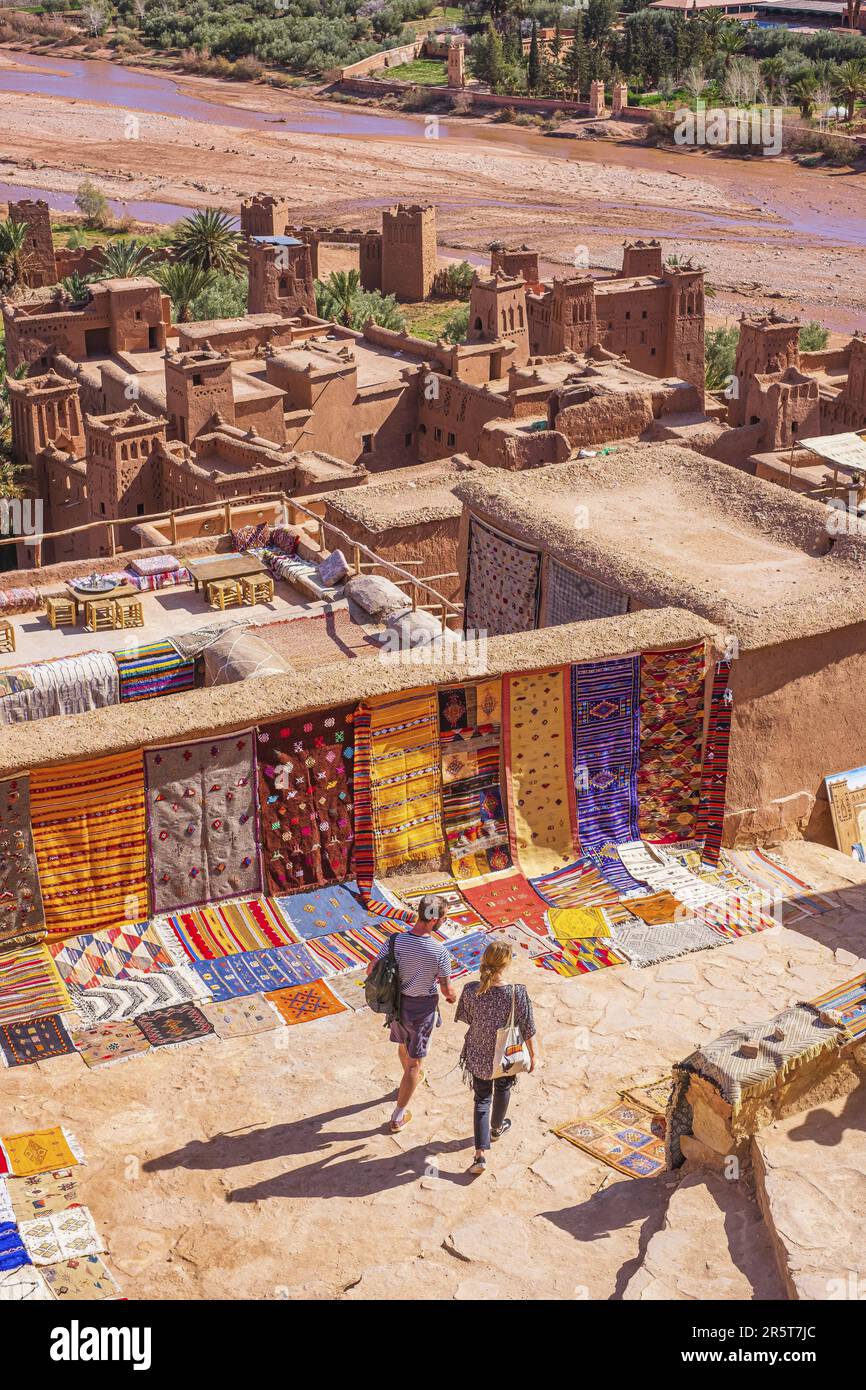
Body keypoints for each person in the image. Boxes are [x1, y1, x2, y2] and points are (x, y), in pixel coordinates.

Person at [367, 893, 457, 1134]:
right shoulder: (439, 952)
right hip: (422, 1009)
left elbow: (371, 968)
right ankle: (398, 1116)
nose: (444, 922)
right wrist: (452, 997)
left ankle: (408, 1080)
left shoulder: (394, 941)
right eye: (444, 918)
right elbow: (447, 988)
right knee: (415, 1063)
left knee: (403, 1047)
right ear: (433, 918)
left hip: (396, 1006)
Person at [455, 939, 538, 1176]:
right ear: (507, 964)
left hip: (479, 1053)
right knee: (503, 1088)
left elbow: (467, 1017)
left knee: (482, 1100)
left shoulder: (471, 989)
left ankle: (480, 1154)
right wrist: (535, 1056)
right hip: (507, 1055)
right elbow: (528, 1027)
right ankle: (497, 1128)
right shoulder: (517, 993)